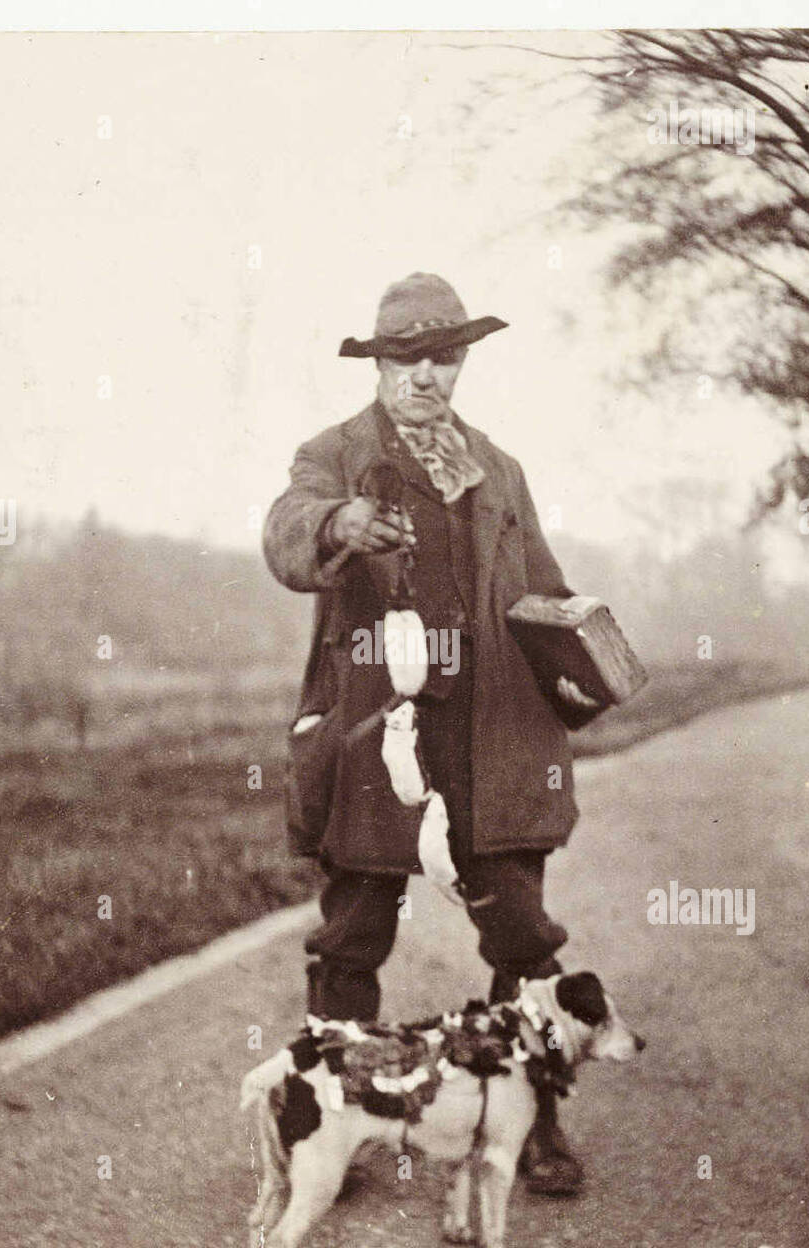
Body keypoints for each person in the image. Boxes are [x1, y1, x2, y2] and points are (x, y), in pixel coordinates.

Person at [263, 272, 590, 1194]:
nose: (425, 377)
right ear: (378, 364)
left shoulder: (498, 468)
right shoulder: (332, 454)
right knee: (352, 939)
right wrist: (337, 520)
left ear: (462, 362)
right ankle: (334, 1126)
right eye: (406, 359)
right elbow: (286, 532)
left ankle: (531, 1126)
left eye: (443, 358)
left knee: (524, 943)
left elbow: (542, 587)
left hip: (491, 740)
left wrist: (583, 643)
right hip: (377, 738)